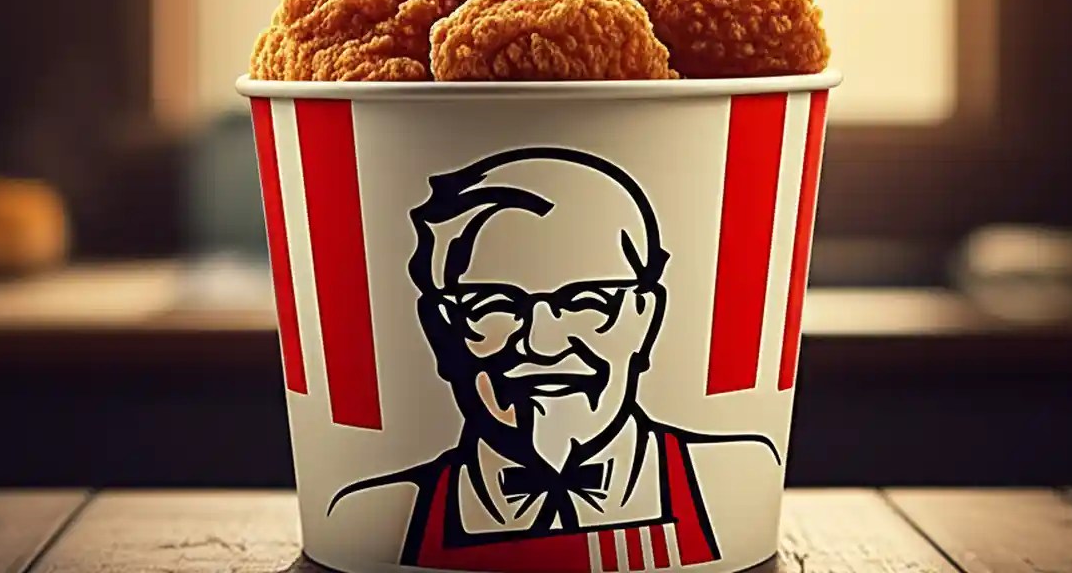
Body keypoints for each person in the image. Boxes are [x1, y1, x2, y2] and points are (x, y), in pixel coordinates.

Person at [330, 147, 780, 571]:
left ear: (645, 319)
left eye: (589, 301)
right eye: (493, 305)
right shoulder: (377, 515)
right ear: (442, 331)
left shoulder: (734, 477)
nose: (543, 344)